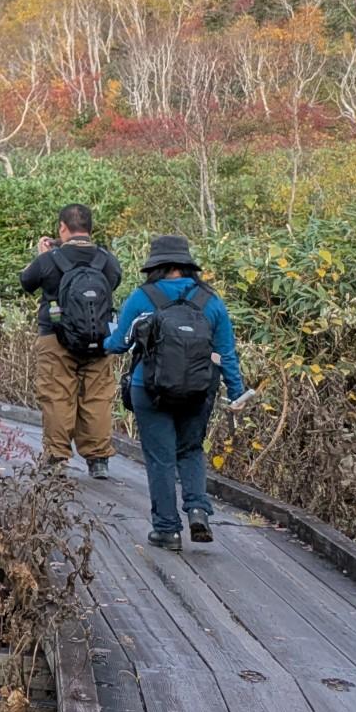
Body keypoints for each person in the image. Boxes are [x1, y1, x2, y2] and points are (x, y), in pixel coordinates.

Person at [105, 235, 249, 550]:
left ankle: (167, 530)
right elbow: (226, 353)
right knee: (191, 450)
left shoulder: (143, 298)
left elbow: (117, 345)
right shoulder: (211, 300)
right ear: (186, 266)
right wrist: (237, 391)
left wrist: (107, 333)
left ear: (156, 267)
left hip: (150, 388)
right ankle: (198, 509)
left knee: (160, 459)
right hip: (198, 391)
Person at [18, 204, 122, 481]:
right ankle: (98, 459)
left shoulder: (50, 258)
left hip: (55, 337)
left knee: (56, 396)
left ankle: (56, 457)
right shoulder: (106, 260)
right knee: (97, 397)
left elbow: (26, 282)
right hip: (99, 339)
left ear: (62, 228)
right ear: (90, 227)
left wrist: (43, 257)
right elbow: (114, 284)